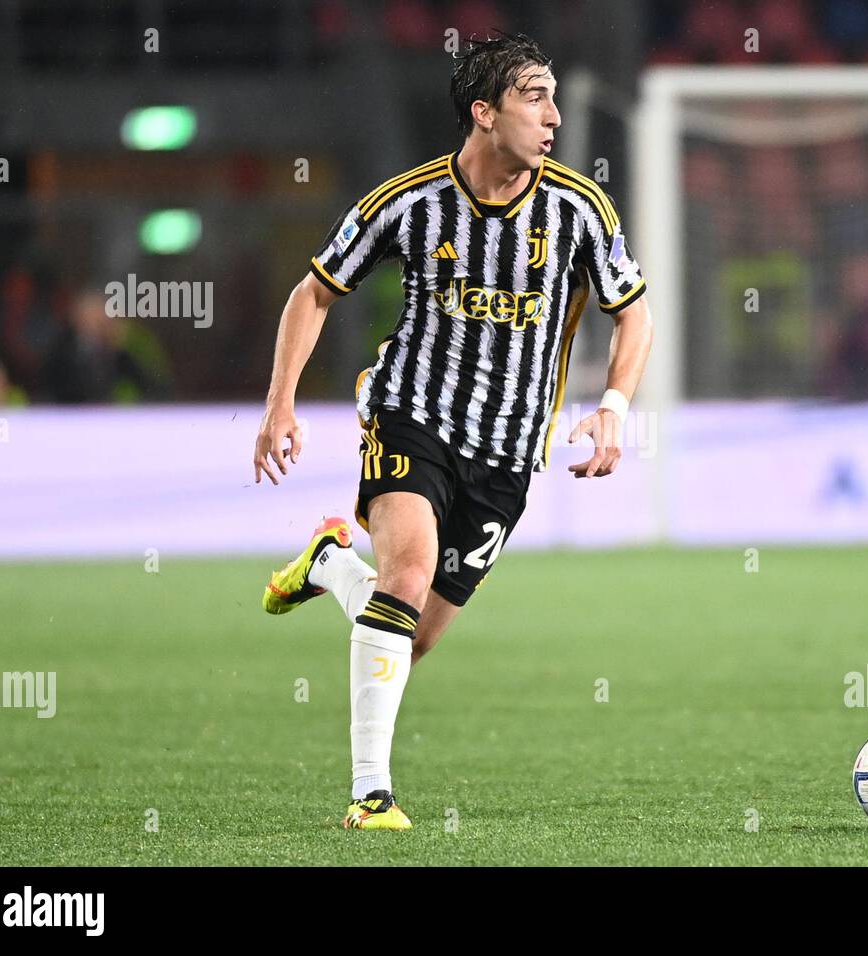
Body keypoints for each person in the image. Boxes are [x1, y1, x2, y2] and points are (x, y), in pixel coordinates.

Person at [251, 32, 653, 830]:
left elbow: (631, 311)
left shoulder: (578, 207)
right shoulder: (409, 202)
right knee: (403, 579)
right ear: (483, 111)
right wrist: (280, 401)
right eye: (533, 98)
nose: (554, 117)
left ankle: (331, 565)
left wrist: (613, 405)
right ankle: (372, 795)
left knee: (412, 638)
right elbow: (315, 292)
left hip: (508, 450)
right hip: (412, 413)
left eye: (553, 97)